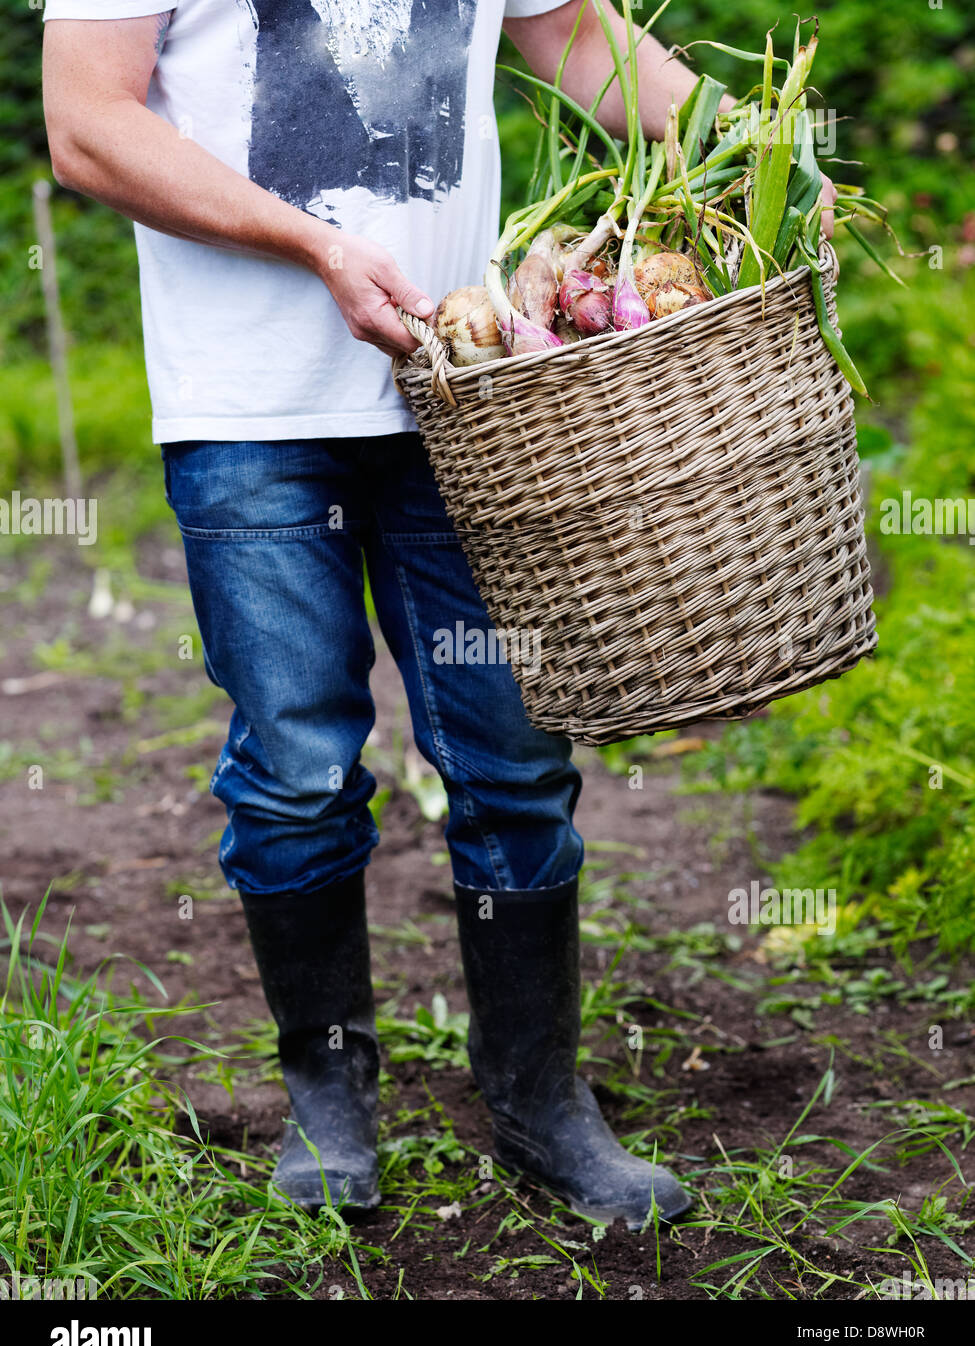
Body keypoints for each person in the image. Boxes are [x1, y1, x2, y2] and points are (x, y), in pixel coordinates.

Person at [42, 1, 833, 1230]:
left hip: (473, 399)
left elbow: (571, 30)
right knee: (297, 767)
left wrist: (760, 150)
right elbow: (87, 121)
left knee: (515, 754)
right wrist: (315, 248)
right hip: (249, 409)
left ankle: (538, 1099)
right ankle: (329, 1092)